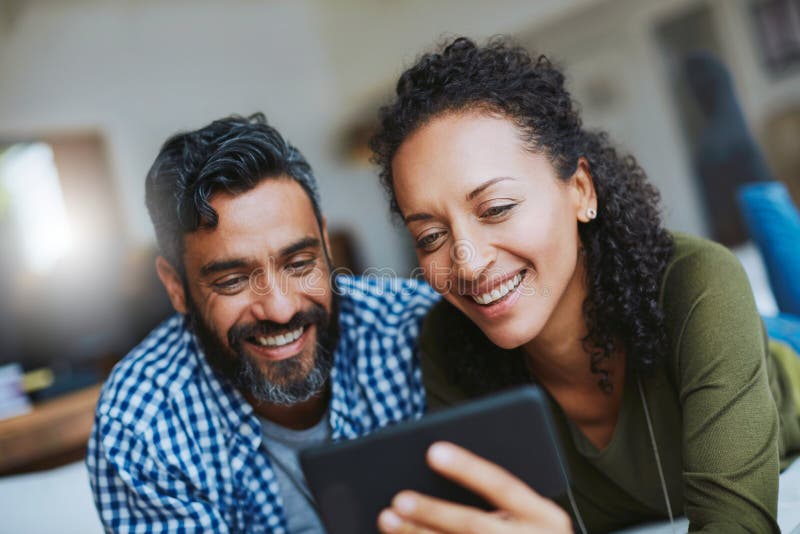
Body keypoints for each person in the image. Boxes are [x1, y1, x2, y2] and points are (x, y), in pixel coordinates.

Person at [369, 37, 800, 533]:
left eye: (496, 209)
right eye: (430, 236)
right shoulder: (447, 345)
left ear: (580, 191)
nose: (466, 262)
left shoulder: (698, 282)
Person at [86, 113, 439, 533]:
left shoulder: (418, 326)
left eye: (300, 263)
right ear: (176, 287)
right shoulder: (142, 425)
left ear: (325, 245)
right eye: (233, 280)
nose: (280, 309)